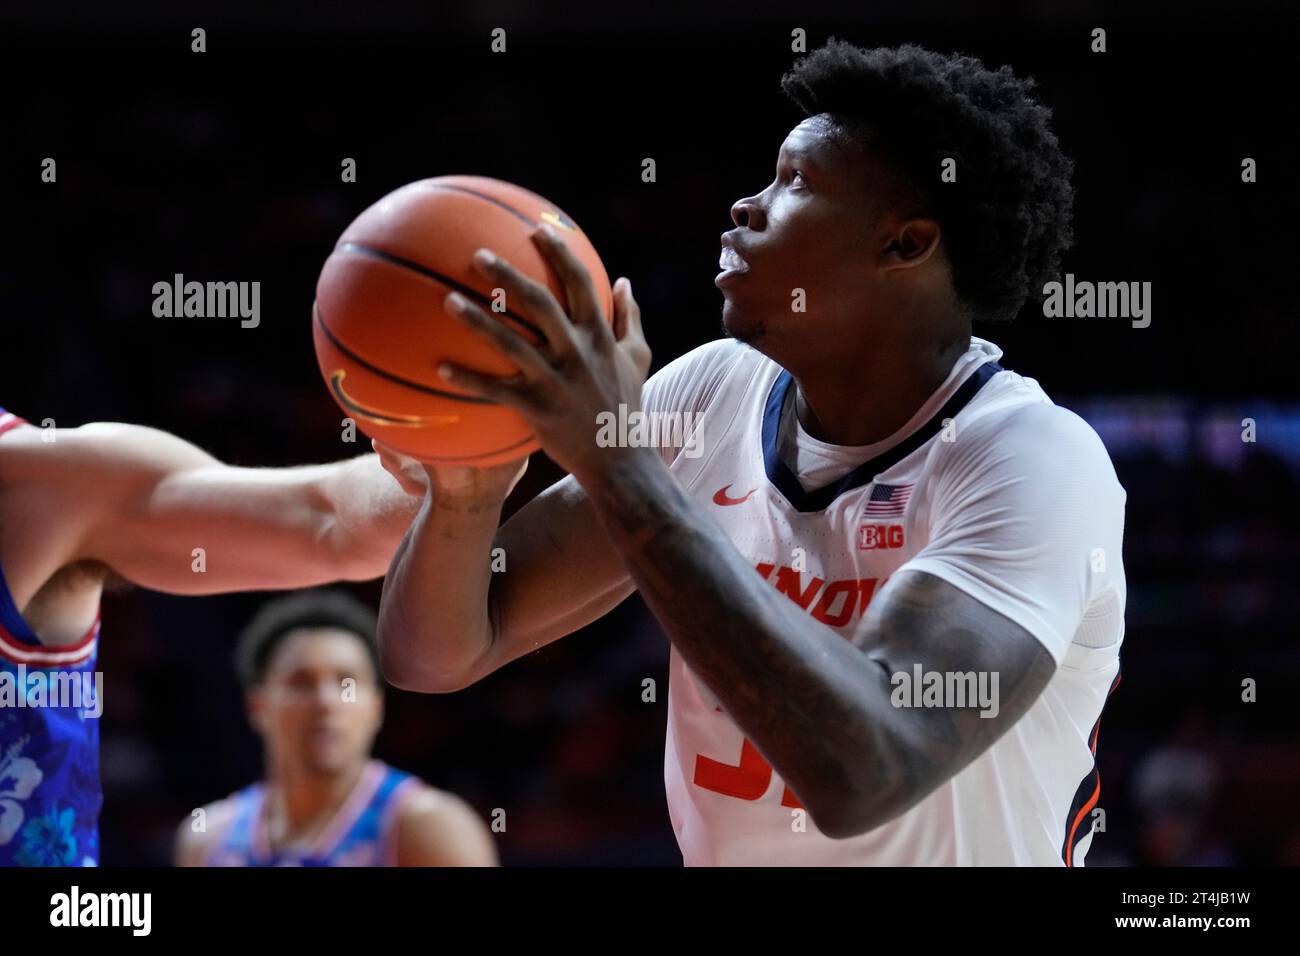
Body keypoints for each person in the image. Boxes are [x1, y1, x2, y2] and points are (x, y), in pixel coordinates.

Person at [376, 39, 1126, 865]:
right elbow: (436, 653)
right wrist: (467, 497)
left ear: (905, 244)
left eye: (797, 182)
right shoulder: (712, 393)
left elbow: (868, 771)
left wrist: (621, 467)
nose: (746, 205)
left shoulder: (1029, 459)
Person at [0, 409, 419, 866]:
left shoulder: (49, 479)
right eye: (301, 682)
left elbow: (328, 520)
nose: (325, 702)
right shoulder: (214, 834)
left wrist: (460, 467)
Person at [176, 590, 495, 866]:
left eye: (347, 684)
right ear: (258, 707)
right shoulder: (208, 837)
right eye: (301, 683)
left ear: (376, 707)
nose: (326, 702)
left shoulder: (428, 826)